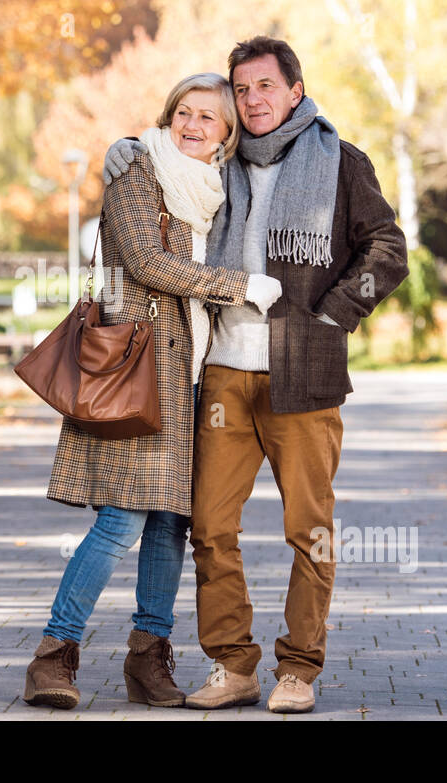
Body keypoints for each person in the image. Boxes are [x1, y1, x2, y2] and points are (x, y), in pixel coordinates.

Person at [102, 36, 409, 712]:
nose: (252, 100)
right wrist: (125, 147)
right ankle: (233, 665)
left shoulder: (340, 162)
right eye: (242, 90)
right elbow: (169, 155)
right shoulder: (223, 159)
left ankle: (298, 669)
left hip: (305, 376)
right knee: (210, 526)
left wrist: (332, 314)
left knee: (310, 528)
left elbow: (388, 247)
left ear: (295, 91)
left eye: (266, 86)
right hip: (223, 375)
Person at [24, 72, 283, 709]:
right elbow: (146, 264)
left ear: (226, 136)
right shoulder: (138, 170)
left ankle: (149, 660)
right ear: (167, 117)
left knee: (171, 526)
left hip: (193, 378)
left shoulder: (212, 191)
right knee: (122, 522)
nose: (193, 126)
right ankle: (54, 657)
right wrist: (240, 285)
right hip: (139, 378)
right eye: (184, 113)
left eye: (209, 118)